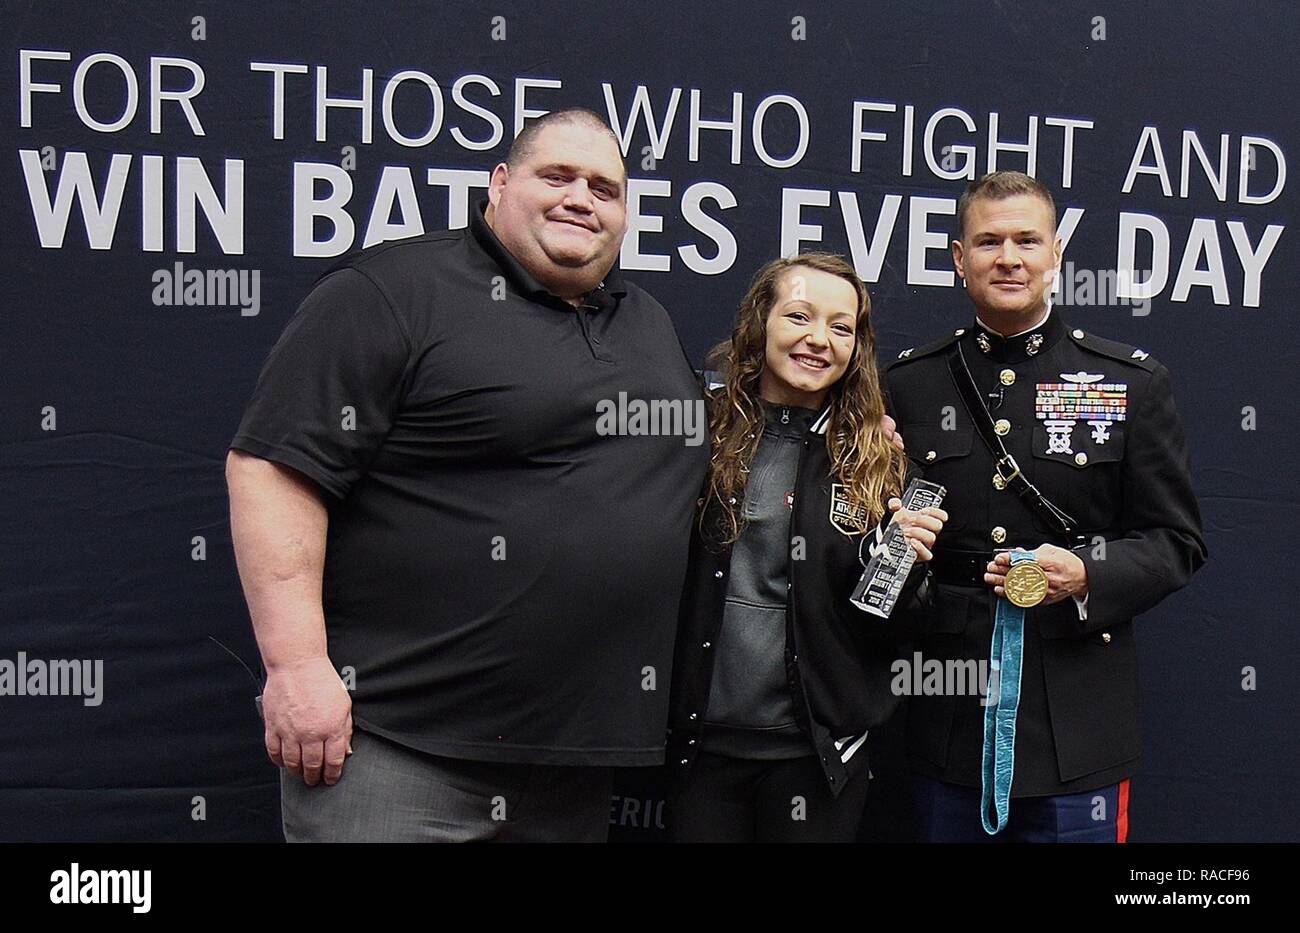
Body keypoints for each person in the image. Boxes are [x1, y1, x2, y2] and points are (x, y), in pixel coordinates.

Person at [225, 108, 710, 842]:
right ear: (500, 182)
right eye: (558, 176)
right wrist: (295, 667)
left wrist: (856, 435)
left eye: (605, 187)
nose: (582, 197)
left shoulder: (645, 320)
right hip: (398, 750)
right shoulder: (391, 291)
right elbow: (273, 468)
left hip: (570, 769)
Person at [884, 171, 1207, 843]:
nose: (1009, 257)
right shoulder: (908, 383)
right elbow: (881, 534)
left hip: (1078, 728)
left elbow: (1176, 541)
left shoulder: (1127, 383)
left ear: (1056, 253)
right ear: (958, 257)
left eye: (1027, 240)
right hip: (947, 718)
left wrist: (1087, 572)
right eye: (989, 241)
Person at [665, 254, 947, 843]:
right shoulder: (696, 431)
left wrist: (903, 575)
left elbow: (896, 627)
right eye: (799, 316)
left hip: (818, 756)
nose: (819, 340)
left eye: (841, 327)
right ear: (760, 322)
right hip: (700, 747)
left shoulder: (881, 464)